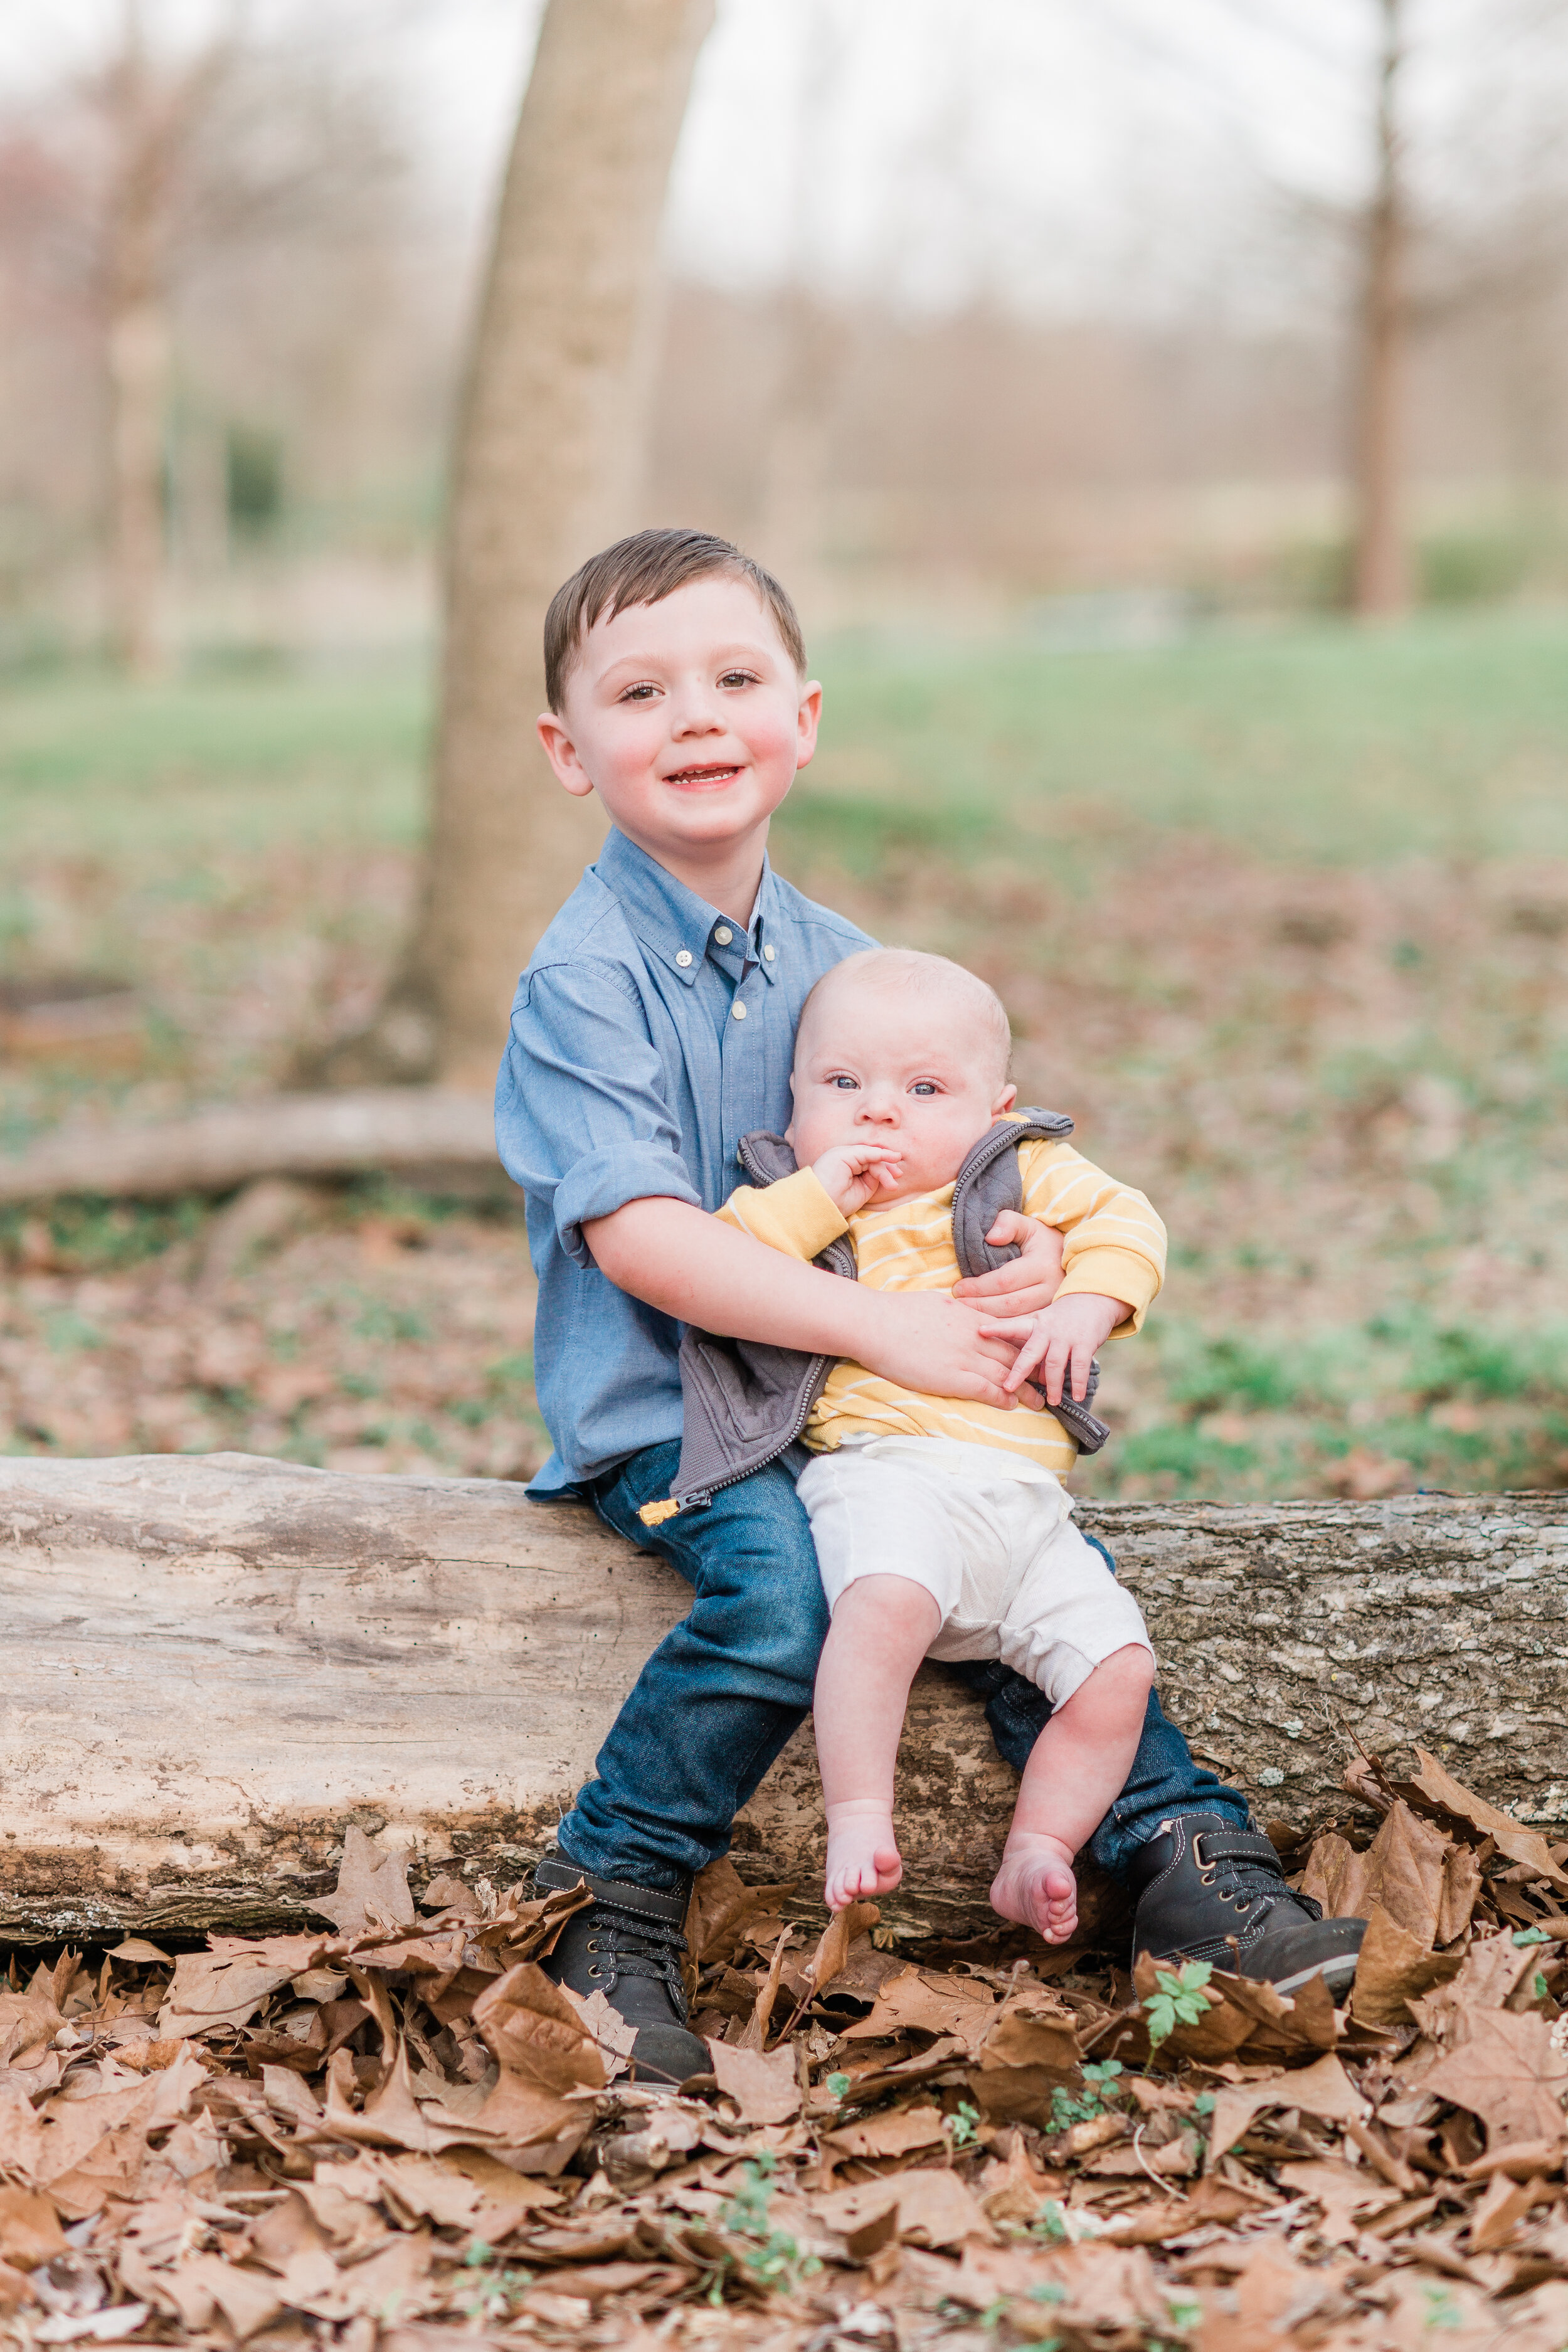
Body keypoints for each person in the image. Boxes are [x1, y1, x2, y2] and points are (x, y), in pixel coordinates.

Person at [495, 526, 1366, 2085]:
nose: (694, 717)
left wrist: (1027, 1270)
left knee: (1025, 1567)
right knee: (784, 1607)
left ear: (804, 718)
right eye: (641, 691)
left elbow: (979, 1179)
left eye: (734, 678)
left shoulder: (856, 972)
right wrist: (886, 1331)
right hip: (683, 1418)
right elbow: (639, 1240)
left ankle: (1176, 1857)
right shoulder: (582, 979)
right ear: (571, 751)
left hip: (867, 1417)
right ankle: (608, 1896)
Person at [694, 945, 1157, 1944]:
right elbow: (724, 1268)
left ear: (996, 1107)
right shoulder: (790, 1198)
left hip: (1027, 1507)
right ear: (795, 1095)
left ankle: (1040, 1844)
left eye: (925, 1087)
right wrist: (820, 1192)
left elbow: (1131, 1220)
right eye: (842, 1083)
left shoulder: (1019, 1171)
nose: (879, 1111)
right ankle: (859, 1815)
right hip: (887, 1475)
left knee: (1119, 1667)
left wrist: (1086, 1297)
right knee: (881, 1606)